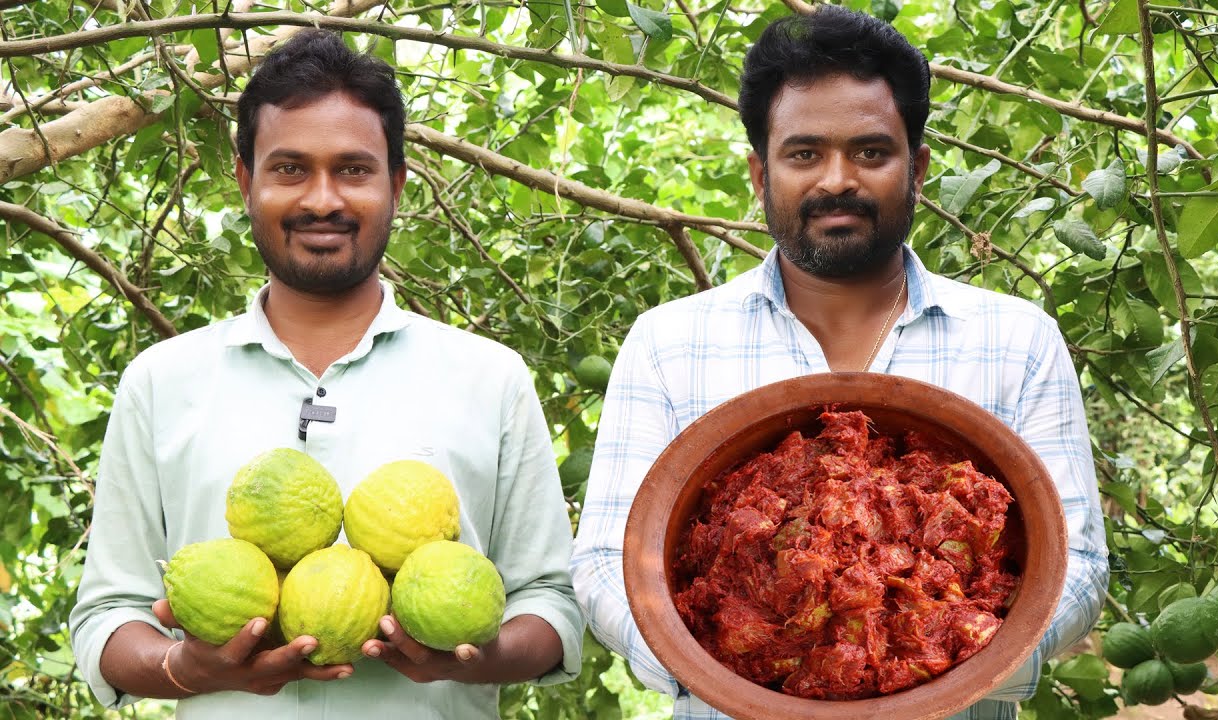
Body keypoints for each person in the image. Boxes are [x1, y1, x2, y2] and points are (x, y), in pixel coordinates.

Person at [570, 7, 1107, 719]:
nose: (837, 179)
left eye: (871, 152)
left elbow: (1077, 572)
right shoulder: (668, 343)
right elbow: (608, 565)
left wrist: (943, 670)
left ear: (916, 170)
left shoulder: (1017, 341)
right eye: (804, 154)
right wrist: (712, 664)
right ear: (760, 174)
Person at [69, 29, 583, 719]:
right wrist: (187, 667)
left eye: (353, 169)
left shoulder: (488, 378)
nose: (322, 199)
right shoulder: (161, 381)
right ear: (245, 180)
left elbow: (552, 606)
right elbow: (107, 616)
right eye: (289, 169)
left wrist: (476, 653)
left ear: (396, 184)